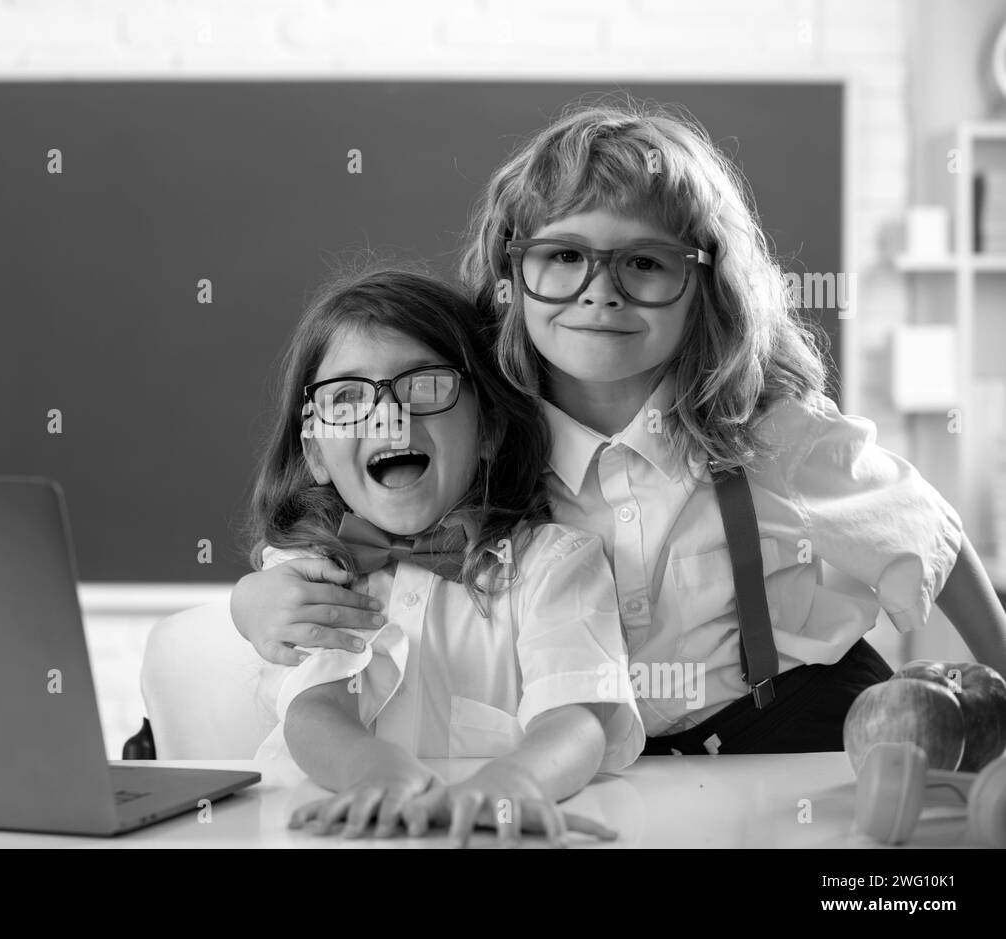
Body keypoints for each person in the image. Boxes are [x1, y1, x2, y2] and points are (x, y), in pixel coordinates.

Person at [233, 100, 1006, 756]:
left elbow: (926, 530)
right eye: (564, 255)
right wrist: (253, 601)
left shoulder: (768, 433)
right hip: (613, 753)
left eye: (642, 263)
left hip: (796, 728)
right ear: (511, 278)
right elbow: (362, 529)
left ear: (703, 281)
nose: (599, 294)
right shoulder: (487, 431)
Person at [246, 267, 643, 846]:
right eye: (349, 396)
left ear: (487, 430)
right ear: (317, 456)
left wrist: (515, 782)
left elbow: (576, 718)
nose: (388, 415)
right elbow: (314, 709)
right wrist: (374, 771)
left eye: (425, 385)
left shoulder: (554, 564)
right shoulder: (309, 572)